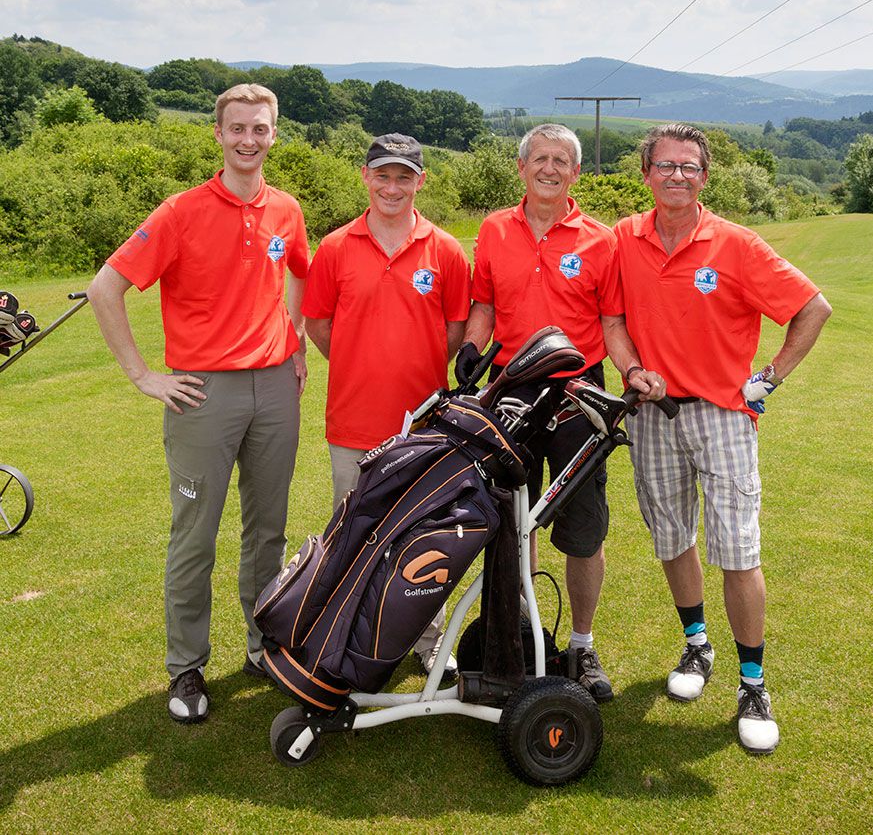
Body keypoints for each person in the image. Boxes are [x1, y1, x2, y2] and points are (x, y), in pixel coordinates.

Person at [88, 83, 309, 725]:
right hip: (201, 392)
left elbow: (298, 268)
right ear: (218, 133)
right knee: (196, 536)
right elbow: (107, 288)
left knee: (267, 531)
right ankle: (186, 667)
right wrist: (143, 375)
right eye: (237, 128)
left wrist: (294, 337)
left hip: (274, 390)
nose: (249, 140)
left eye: (260, 129)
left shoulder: (287, 210)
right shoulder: (181, 211)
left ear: (274, 134)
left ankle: (263, 647)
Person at [615, 123, 831, 754]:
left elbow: (811, 307)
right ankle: (696, 645)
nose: (676, 176)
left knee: (737, 549)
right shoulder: (624, 238)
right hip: (652, 414)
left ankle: (753, 681)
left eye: (689, 167)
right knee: (671, 536)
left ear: (704, 177)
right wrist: (630, 368)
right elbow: (611, 318)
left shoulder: (735, 244)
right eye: (665, 166)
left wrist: (768, 379)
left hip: (724, 415)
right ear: (647, 172)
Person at [454, 124, 665, 702]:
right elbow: (485, 305)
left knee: (581, 531)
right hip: (510, 395)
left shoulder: (602, 240)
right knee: (509, 520)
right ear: (521, 168)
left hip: (578, 399)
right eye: (539, 159)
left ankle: (581, 642)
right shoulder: (495, 228)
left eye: (561, 161)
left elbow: (611, 324)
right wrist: (473, 347)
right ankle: (518, 634)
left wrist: (630, 372)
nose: (549, 168)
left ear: (576, 173)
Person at [302, 132, 472, 680]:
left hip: (424, 427)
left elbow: (453, 332)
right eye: (383, 175)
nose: (392, 187)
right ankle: (342, 633)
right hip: (353, 422)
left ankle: (425, 639)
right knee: (351, 533)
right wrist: (362, 363)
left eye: (404, 176)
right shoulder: (334, 247)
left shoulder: (445, 249)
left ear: (420, 181)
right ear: (365, 176)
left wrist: (411, 370)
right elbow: (319, 327)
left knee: (422, 538)